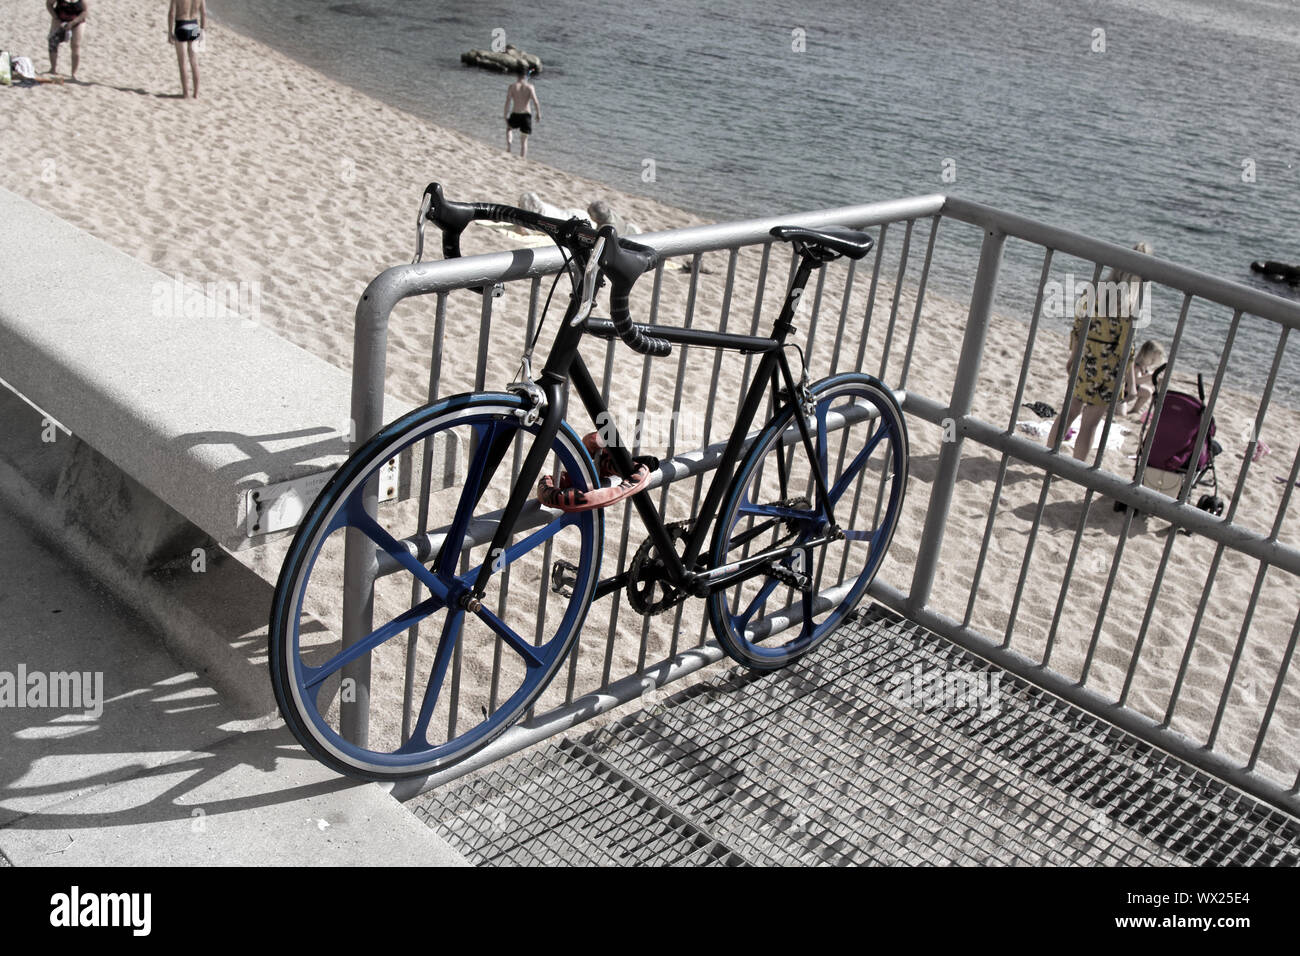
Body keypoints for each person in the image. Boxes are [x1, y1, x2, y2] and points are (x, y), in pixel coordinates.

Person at [1047, 242, 1153, 461]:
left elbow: (1078, 328)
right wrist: (1131, 383)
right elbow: (1126, 348)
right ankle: (1074, 468)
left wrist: (1073, 356)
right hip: (1108, 369)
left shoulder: (1093, 289)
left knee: (1068, 412)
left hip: (1085, 358)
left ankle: (1047, 457)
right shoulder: (1129, 304)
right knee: (1089, 425)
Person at [168, 0, 205, 98]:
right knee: (194, 62)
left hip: (182, 25)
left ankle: (186, 93)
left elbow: (171, 13)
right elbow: (203, 13)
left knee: (183, 62)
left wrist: (169, 32)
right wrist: (202, 32)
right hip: (194, 26)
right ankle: (196, 94)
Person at [1120, 339, 1165, 418]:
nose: (1153, 362)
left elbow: (1144, 381)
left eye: (1154, 360)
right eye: (1152, 359)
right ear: (1145, 354)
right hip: (1125, 390)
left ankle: (1135, 409)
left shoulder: (1144, 366)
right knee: (1147, 392)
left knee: (1148, 391)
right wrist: (1151, 376)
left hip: (1132, 390)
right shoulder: (1137, 365)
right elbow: (1137, 380)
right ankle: (1132, 409)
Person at [504, 63, 540, 158]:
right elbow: (536, 102)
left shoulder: (512, 86)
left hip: (515, 113)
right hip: (526, 115)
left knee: (509, 129)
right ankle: (522, 158)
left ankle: (509, 146)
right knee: (524, 141)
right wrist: (538, 114)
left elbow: (508, 101)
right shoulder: (530, 87)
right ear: (525, 75)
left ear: (516, 74)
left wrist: (505, 115)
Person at [46, 0, 90, 79]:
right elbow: (49, 4)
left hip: (77, 21)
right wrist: (55, 17)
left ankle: (73, 73)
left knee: (75, 45)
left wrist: (73, 22)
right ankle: (53, 69)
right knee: (53, 41)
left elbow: (85, 12)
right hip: (60, 19)